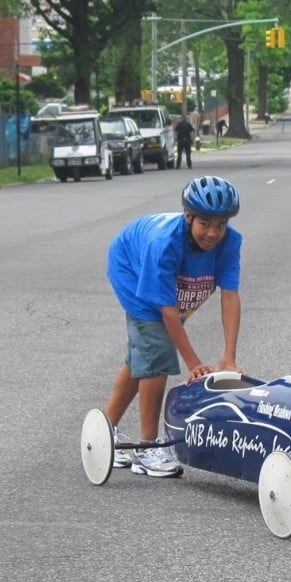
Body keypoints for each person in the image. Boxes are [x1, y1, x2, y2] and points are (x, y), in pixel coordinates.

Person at [104, 176, 243, 476]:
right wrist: (193, 363)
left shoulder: (230, 242)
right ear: (188, 216)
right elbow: (168, 311)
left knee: (145, 354)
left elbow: (230, 296)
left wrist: (229, 357)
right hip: (131, 264)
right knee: (156, 349)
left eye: (221, 224)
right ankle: (147, 448)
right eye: (205, 223)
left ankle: (105, 432)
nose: (213, 233)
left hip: (157, 271)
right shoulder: (164, 243)